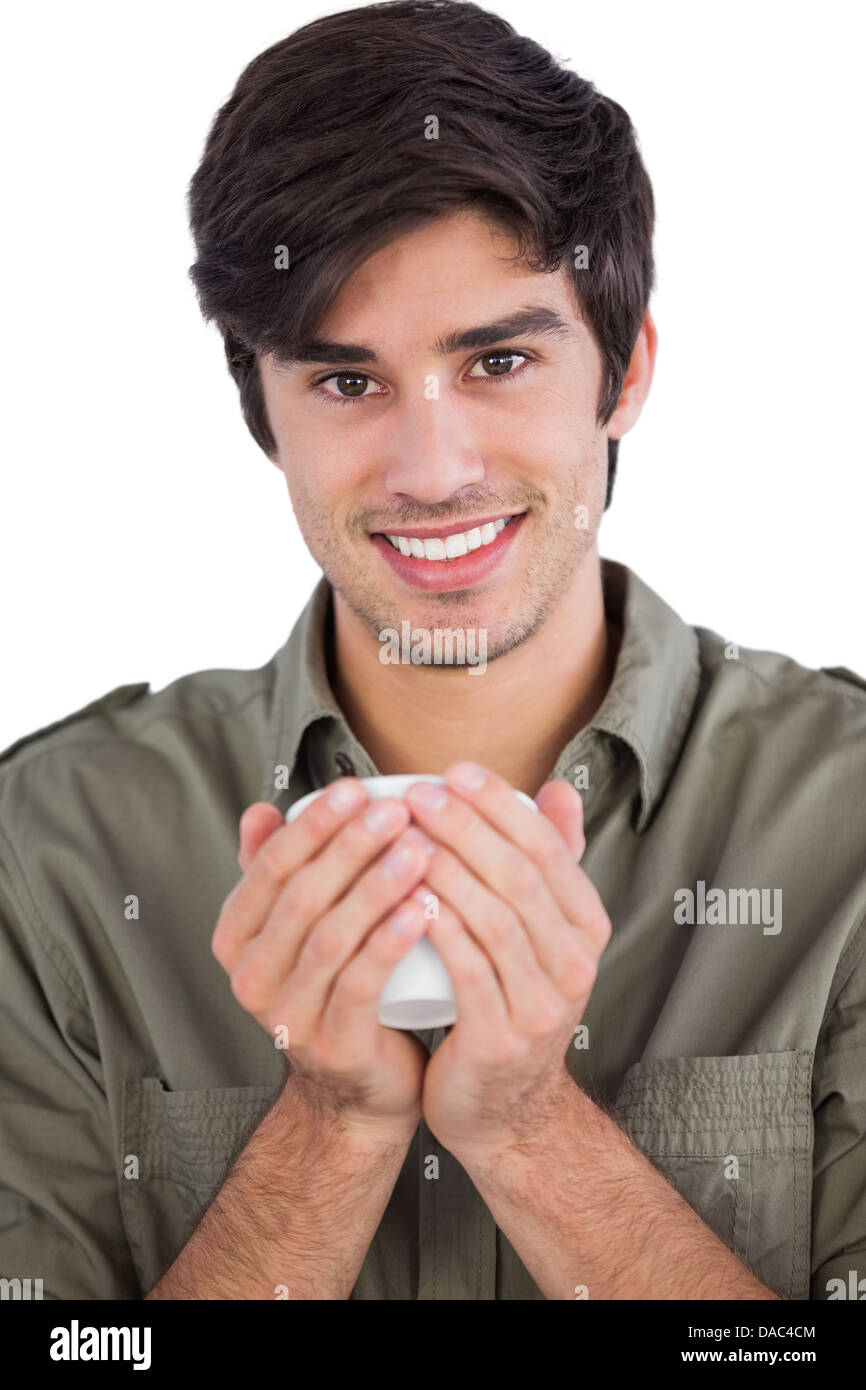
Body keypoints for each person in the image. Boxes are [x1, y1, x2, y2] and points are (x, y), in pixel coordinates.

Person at [1, 0, 863, 1302]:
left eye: (498, 359)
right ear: (262, 408)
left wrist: (529, 1129)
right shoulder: (50, 847)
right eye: (346, 381)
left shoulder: (847, 818)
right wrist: (330, 1126)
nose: (432, 471)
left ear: (622, 369)